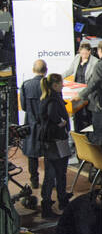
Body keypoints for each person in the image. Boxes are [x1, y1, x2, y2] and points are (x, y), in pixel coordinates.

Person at [35, 73, 72, 217]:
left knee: (52, 173)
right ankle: (58, 201)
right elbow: (53, 115)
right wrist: (61, 123)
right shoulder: (54, 100)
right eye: (61, 83)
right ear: (55, 85)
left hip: (49, 141)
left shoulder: (45, 98)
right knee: (57, 173)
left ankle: (51, 202)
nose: (63, 85)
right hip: (56, 141)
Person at [19, 58, 47, 196]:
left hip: (31, 124)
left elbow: (24, 107)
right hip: (47, 125)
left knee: (32, 156)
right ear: (45, 70)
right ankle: (49, 181)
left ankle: (34, 181)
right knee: (49, 154)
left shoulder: (26, 85)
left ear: (33, 70)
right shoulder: (48, 84)